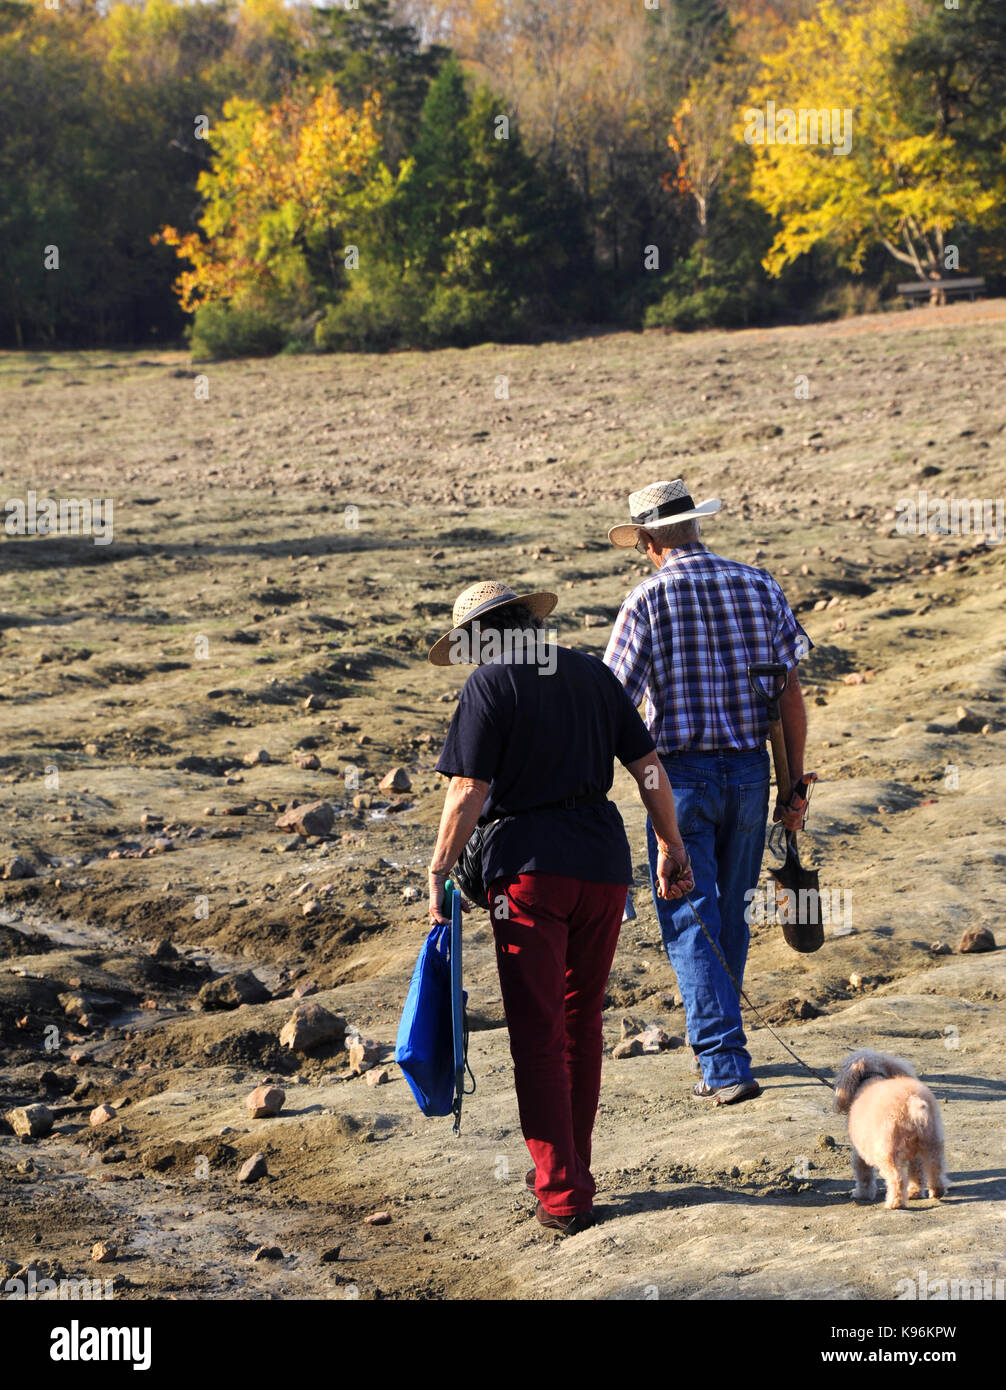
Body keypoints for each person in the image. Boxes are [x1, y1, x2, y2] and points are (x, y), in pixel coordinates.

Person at [426, 579, 693, 1235]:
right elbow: (649, 767)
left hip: (528, 875)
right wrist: (671, 845)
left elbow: (468, 789)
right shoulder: (591, 673)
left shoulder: (490, 684)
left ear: (480, 637)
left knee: (538, 1036)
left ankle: (563, 1195)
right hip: (602, 869)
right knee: (580, 1024)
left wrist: (437, 870)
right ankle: (572, 1168)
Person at [604, 479, 812, 1106]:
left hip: (678, 779)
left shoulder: (646, 602)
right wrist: (794, 785)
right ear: (694, 526)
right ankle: (725, 1046)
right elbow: (790, 696)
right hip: (752, 773)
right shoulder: (758, 585)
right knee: (730, 914)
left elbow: (613, 704)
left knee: (689, 914)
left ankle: (723, 1063)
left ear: (647, 543)